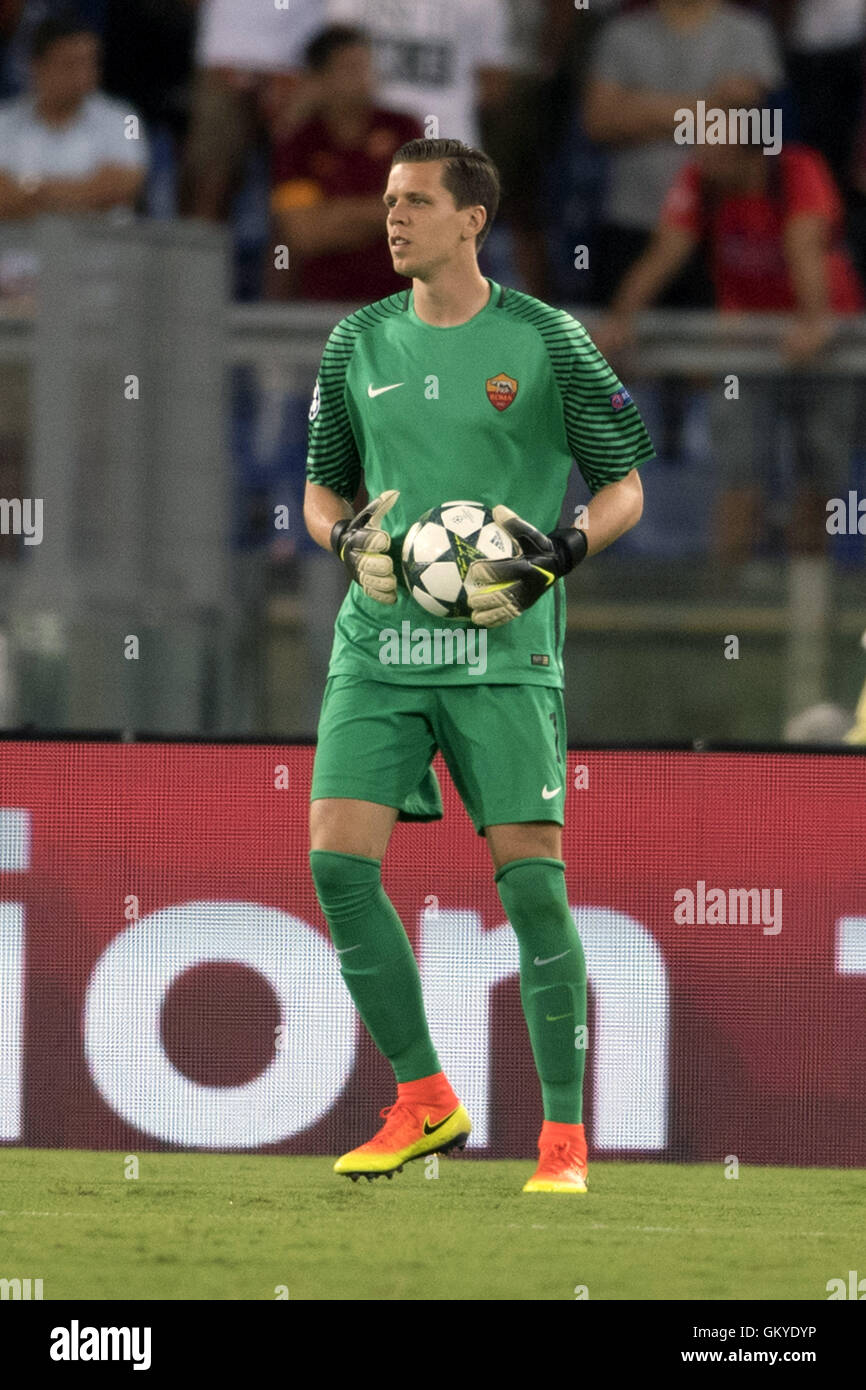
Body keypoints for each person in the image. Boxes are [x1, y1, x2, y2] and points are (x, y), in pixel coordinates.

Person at [303, 137, 654, 1192]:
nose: (392, 218)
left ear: (471, 221)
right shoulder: (353, 341)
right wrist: (342, 543)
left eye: (414, 202)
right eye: (386, 201)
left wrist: (565, 553)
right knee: (334, 863)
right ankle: (425, 1099)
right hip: (379, 647)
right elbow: (323, 488)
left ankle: (560, 1140)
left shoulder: (546, 339)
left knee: (533, 891)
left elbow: (624, 480)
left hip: (504, 652)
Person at [593, 134, 865, 564]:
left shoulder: (798, 171)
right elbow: (665, 252)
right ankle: (729, 601)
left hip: (825, 346)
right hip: (746, 347)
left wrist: (814, 322)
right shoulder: (701, 181)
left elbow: (804, 247)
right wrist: (621, 319)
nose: (699, 157)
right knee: (738, 477)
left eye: (713, 150)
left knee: (817, 483)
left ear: (748, 153)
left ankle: (808, 614)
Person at [270, 25, 422, 303]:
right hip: (322, 306)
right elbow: (303, 234)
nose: (364, 77)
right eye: (350, 68)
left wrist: (332, 214)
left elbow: (418, 215)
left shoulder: (404, 128)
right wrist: (380, 213)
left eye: (367, 66)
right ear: (319, 78)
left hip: (403, 304)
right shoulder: (299, 142)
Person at [0, 12, 147, 221]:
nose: (82, 76)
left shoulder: (126, 119)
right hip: (21, 248)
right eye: (70, 64)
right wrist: (85, 193)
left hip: (101, 247)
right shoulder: (3, 120)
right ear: (38, 66)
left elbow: (126, 183)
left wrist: (29, 190)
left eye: (89, 63)